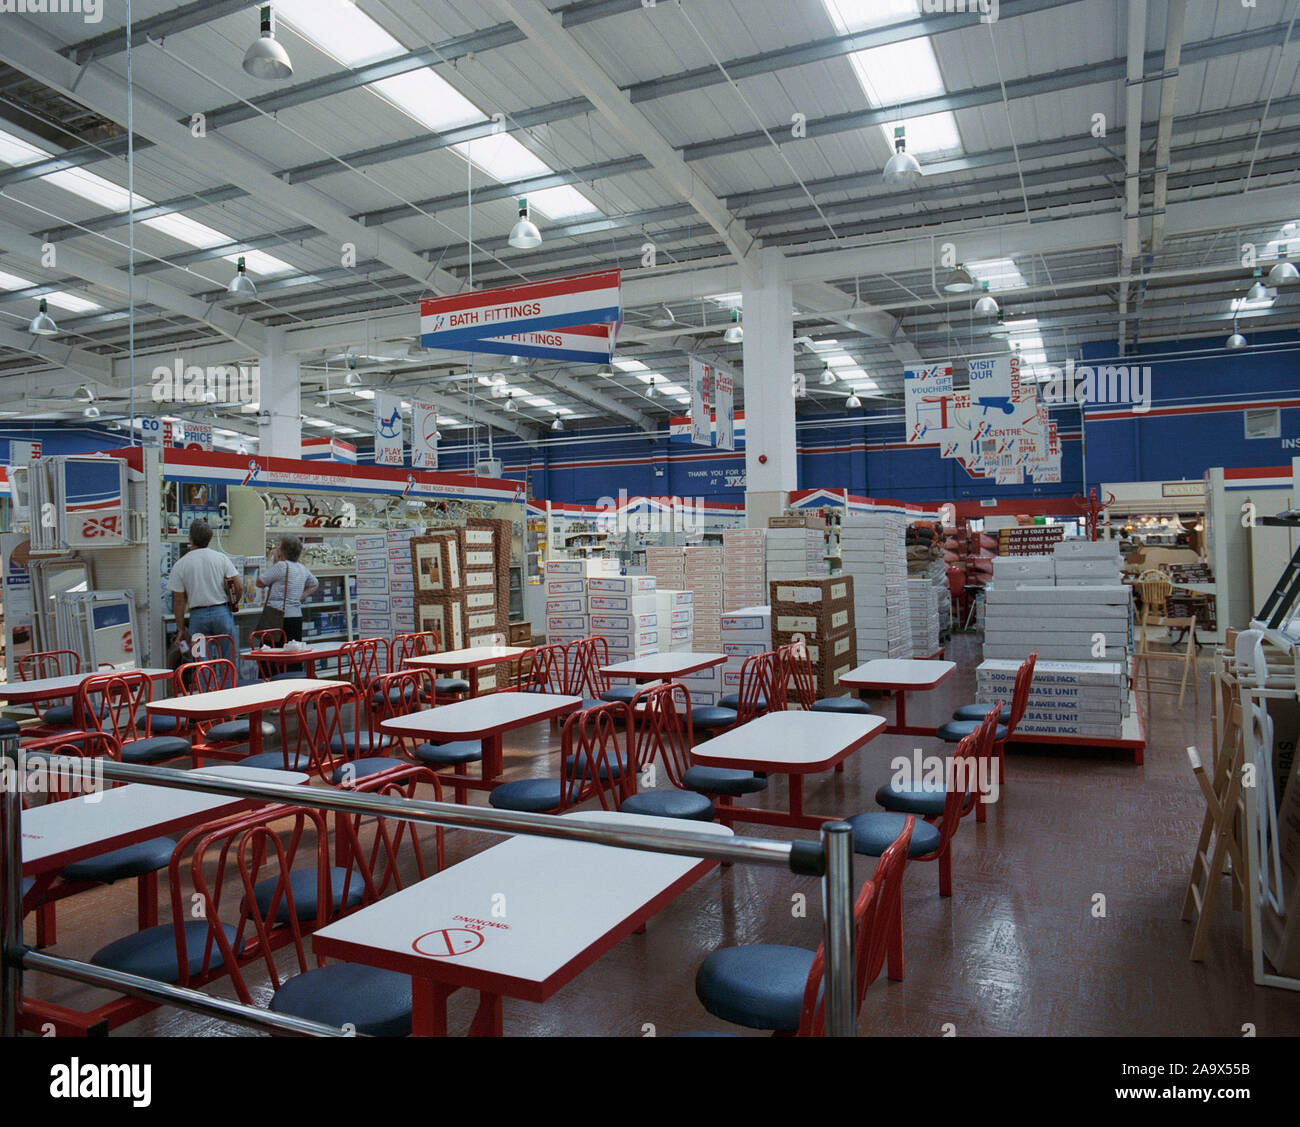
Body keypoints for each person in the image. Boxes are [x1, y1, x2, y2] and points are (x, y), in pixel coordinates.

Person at [168, 519, 241, 658]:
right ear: (210, 538)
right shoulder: (221, 559)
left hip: (198, 617)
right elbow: (238, 586)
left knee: (201, 660)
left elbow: (178, 601)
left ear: (190, 538)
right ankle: (229, 680)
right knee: (228, 658)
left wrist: (181, 629)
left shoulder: (181, 564)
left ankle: (204, 680)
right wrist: (233, 603)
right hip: (222, 614)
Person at [257, 535, 319, 646]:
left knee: (271, 653)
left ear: (282, 550)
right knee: (292, 652)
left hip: (278, 616)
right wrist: (300, 596)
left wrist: (275, 563)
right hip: (296, 617)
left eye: (278, 546)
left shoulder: (281, 566)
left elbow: (260, 582)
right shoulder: (302, 568)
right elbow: (314, 584)